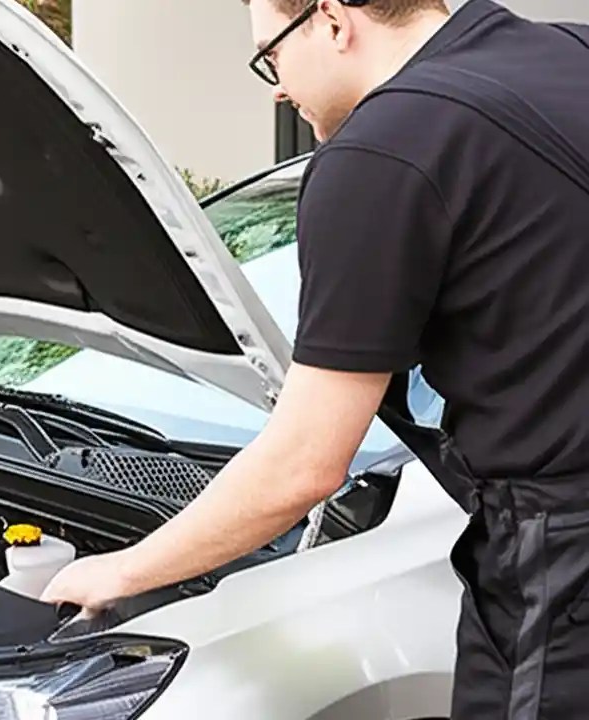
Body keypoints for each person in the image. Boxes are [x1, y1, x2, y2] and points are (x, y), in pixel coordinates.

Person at [41, 0, 589, 716]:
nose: (276, 87)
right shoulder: (569, 53)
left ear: (331, 19)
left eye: (270, 55)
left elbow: (306, 463)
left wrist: (119, 572)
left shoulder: (380, 151)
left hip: (563, 568)